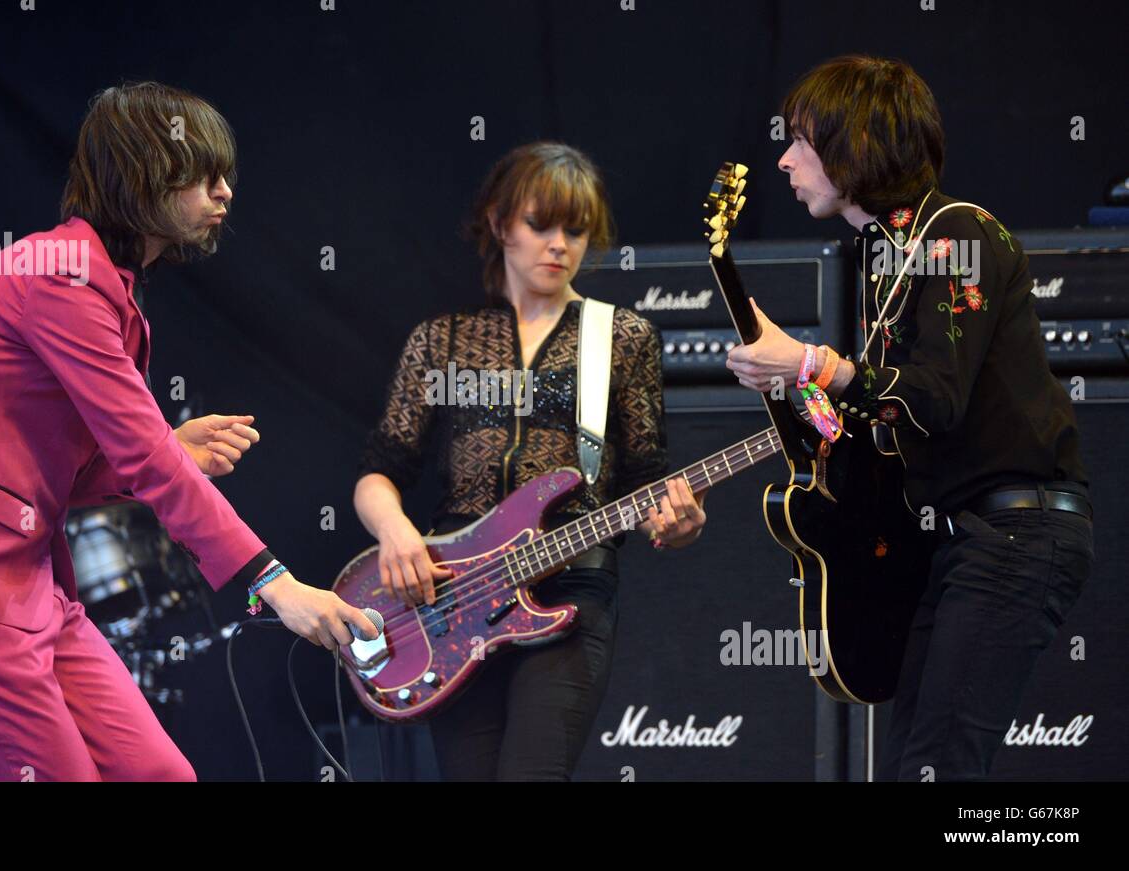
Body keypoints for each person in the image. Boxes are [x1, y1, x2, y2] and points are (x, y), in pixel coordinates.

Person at [0, 81, 376, 782]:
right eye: (203, 175)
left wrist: (168, 450)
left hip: (23, 578)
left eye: (225, 176)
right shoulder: (62, 277)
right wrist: (274, 583)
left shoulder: (98, 283)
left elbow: (90, 464)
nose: (225, 192)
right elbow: (146, 456)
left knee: (163, 774)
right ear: (142, 176)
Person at [726, 56, 1093, 781]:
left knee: (936, 765)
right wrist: (798, 388)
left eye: (801, 139)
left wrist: (812, 363)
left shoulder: (957, 234)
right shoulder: (886, 256)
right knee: (909, 766)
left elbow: (935, 397)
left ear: (857, 142)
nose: (785, 159)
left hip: (1014, 531)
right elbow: (884, 423)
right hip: (958, 539)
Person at [353, 142, 707, 781]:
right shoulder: (442, 340)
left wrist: (676, 523)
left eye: (576, 231)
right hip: (451, 599)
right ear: (499, 223)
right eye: (540, 225)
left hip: (571, 586)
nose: (559, 245)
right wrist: (395, 531)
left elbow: (648, 480)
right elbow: (381, 470)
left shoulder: (621, 337)